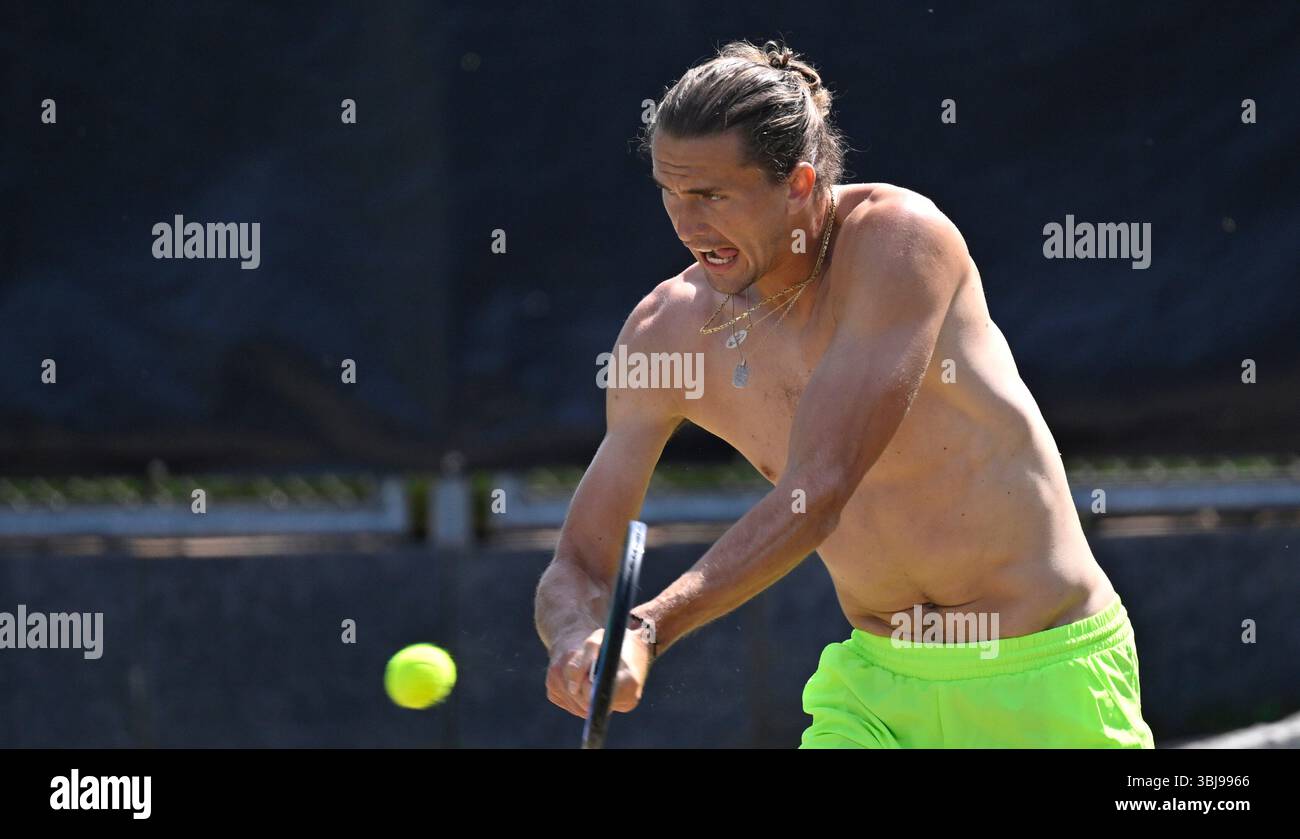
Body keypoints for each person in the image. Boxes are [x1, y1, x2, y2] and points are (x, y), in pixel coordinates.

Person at [534, 39, 1153, 747]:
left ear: (799, 184)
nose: (686, 223)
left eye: (711, 196)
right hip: (871, 695)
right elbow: (578, 560)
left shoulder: (900, 242)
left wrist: (649, 626)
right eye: (670, 193)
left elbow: (820, 489)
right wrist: (580, 636)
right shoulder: (663, 333)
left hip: (1045, 673)